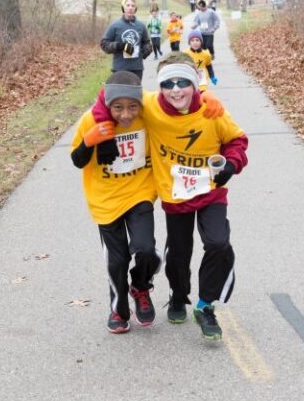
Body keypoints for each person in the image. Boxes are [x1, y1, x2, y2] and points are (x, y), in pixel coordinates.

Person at [92, 52, 247, 341]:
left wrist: (231, 164)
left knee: (218, 242)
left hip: (211, 191)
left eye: (183, 83)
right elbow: (107, 95)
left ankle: (205, 305)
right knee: (178, 252)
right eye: (168, 83)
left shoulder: (212, 110)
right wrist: (101, 136)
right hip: (176, 196)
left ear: (194, 83)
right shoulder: (150, 105)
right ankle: (178, 296)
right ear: (160, 87)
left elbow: (237, 141)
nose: (176, 90)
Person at [70, 71, 160, 334]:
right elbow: (77, 160)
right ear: (108, 105)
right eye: (118, 108)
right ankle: (119, 310)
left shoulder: (147, 115)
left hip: (139, 192)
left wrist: (209, 98)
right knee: (117, 261)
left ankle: (140, 287)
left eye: (133, 106)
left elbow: (177, 100)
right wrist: (90, 140)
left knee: (146, 249)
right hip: (105, 199)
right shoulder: (90, 120)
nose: (126, 114)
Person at [100, 0, 153, 80]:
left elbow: (147, 43)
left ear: (135, 9)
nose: (130, 8)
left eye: (133, 5)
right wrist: (118, 46)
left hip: (137, 68)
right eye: (127, 5)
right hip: (119, 68)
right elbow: (104, 44)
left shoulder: (141, 26)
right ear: (123, 8)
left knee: (135, 93)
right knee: (120, 93)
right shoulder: (115, 26)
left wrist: (145, 51)